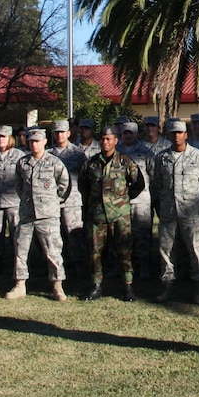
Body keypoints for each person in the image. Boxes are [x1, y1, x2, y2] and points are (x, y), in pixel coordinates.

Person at [79, 126, 146, 301]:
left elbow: (138, 183)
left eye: (109, 139)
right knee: (95, 252)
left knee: (125, 251)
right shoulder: (91, 163)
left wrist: (123, 200)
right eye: (102, 139)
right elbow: (83, 186)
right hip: (98, 216)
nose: (105, 142)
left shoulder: (125, 162)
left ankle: (128, 287)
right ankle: (96, 286)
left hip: (120, 216)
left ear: (116, 141)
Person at [5, 128, 71, 301]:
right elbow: (19, 186)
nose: (34, 144)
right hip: (27, 215)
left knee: (53, 251)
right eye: (31, 141)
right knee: (21, 251)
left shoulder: (54, 162)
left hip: (48, 215)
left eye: (37, 141)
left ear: (44, 142)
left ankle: (57, 285)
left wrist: (52, 201)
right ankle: (20, 285)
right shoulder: (22, 163)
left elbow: (64, 185)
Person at [152, 120, 199, 304]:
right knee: (166, 251)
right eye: (173, 133)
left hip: (192, 213)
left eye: (179, 133)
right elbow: (158, 182)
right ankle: (168, 286)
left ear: (186, 135)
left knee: (196, 251)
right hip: (169, 212)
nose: (176, 136)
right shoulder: (162, 158)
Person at [49, 120, 90, 279]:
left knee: (74, 234)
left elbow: (86, 176)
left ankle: (80, 265)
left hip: (72, 201)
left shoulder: (78, 154)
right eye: (57, 132)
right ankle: (59, 266)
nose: (60, 135)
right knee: (54, 235)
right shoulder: (48, 154)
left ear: (68, 133)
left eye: (62, 132)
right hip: (52, 201)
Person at [117, 121, 155, 281]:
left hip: (141, 201)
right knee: (121, 235)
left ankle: (144, 266)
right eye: (125, 133)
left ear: (137, 134)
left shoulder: (146, 152)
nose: (128, 136)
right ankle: (123, 267)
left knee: (142, 235)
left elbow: (154, 175)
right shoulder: (116, 151)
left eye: (131, 133)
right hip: (119, 202)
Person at [0, 126, 21, 277]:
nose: (1, 139)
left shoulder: (18, 155)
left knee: (17, 236)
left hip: (14, 202)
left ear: (10, 138)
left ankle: (18, 267)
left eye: (4, 137)